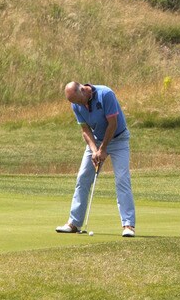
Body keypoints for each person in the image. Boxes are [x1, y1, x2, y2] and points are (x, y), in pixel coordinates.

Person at [57, 81, 136, 238]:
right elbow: (85, 130)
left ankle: (128, 225)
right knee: (83, 178)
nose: (77, 105)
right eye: (74, 103)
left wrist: (103, 149)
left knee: (122, 178)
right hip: (97, 141)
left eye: (78, 101)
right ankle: (74, 223)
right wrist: (94, 151)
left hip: (119, 139)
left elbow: (112, 124)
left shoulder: (105, 94)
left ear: (83, 90)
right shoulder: (76, 104)